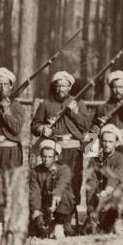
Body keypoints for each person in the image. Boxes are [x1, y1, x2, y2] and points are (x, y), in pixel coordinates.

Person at [32, 71, 91, 202]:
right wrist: (42, 129)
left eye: (64, 86)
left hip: (73, 149)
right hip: (53, 149)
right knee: (52, 180)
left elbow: (87, 126)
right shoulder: (45, 104)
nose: (61, 89)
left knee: (74, 180)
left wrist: (75, 113)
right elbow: (35, 125)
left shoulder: (79, 104)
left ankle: (69, 215)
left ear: (70, 87)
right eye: (58, 85)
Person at [84, 124, 123, 235]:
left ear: (117, 143)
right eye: (104, 141)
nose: (107, 145)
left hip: (116, 194)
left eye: (110, 142)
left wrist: (106, 192)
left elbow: (115, 178)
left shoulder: (122, 160)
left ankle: (118, 222)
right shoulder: (95, 159)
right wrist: (90, 207)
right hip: (101, 195)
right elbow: (91, 180)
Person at [28, 138, 73, 239]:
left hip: (61, 204)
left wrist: (56, 196)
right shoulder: (35, 171)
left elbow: (62, 184)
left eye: (49, 157)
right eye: (44, 156)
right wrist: (36, 211)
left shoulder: (64, 169)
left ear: (55, 157)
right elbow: (35, 192)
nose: (46, 159)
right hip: (45, 205)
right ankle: (47, 226)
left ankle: (60, 225)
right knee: (36, 230)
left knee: (65, 193)